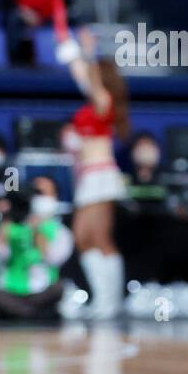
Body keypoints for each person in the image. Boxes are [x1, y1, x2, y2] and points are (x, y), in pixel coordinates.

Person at [59, 28, 130, 319]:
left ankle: (111, 301)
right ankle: (102, 298)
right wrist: (68, 46)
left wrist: (88, 51)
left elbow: (91, 80)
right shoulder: (89, 106)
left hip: (101, 175)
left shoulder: (105, 104)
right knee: (82, 237)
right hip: (87, 176)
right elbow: (80, 74)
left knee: (100, 238)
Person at [0, 189, 73, 319]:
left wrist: (41, 242)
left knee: (60, 287)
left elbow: (56, 260)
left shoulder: (51, 229)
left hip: (39, 290)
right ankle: (28, 313)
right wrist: (1, 242)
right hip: (8, 290)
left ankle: (16, 310)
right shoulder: (6, 229)